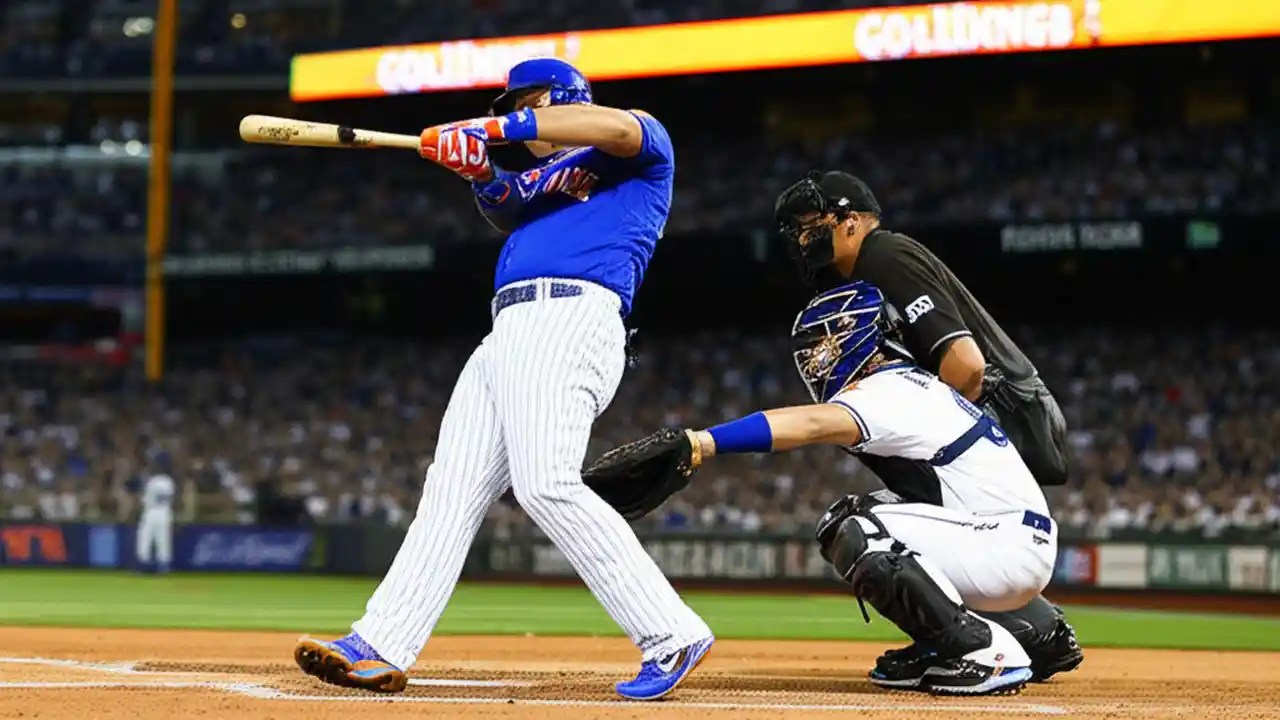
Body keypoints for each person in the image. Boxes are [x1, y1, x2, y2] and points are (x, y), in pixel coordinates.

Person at [293, 58, 713, 701]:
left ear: (566, 98)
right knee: (450, 491)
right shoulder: (541, 182)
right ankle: (382, 643)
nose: (519, 114)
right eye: (513, 106)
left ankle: (670, 632)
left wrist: (485, 130)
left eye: (529, 102)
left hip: (570, 317)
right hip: (509, 330)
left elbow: (616, 130)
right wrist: (478, 170)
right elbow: (507, 205)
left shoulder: (635, 142)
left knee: (545, 484)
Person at [588, 281, 1054, 695]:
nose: (817, 358)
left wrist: (702, 442)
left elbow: (811, 424)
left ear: (866, 339)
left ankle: (979, 649)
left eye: (828, 341)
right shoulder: (918, 386)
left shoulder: (892, 388)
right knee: (884, 509)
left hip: (1003, 547)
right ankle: (1036, 631)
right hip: (1008, 542)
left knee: (853, 525)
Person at [771, 170, 1082, 681]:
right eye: (798, 229)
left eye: (813, 223)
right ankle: (1037, 633)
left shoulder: (883, 255)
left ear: (851, 222)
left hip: (996, 413)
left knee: (867, 528)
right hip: (983, 423)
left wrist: (936, 422)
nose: (804, 238)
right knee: (926, 534)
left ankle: (968, 645)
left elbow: (966, 365)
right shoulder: (853, 277)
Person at [135, 470, 175, 573]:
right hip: (165, 512)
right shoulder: (169, 482)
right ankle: (164, 565)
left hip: (151, 512)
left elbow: (146, 500)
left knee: (145, 537)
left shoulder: (153, 481)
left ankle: (143, 563)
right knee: (163, 539)